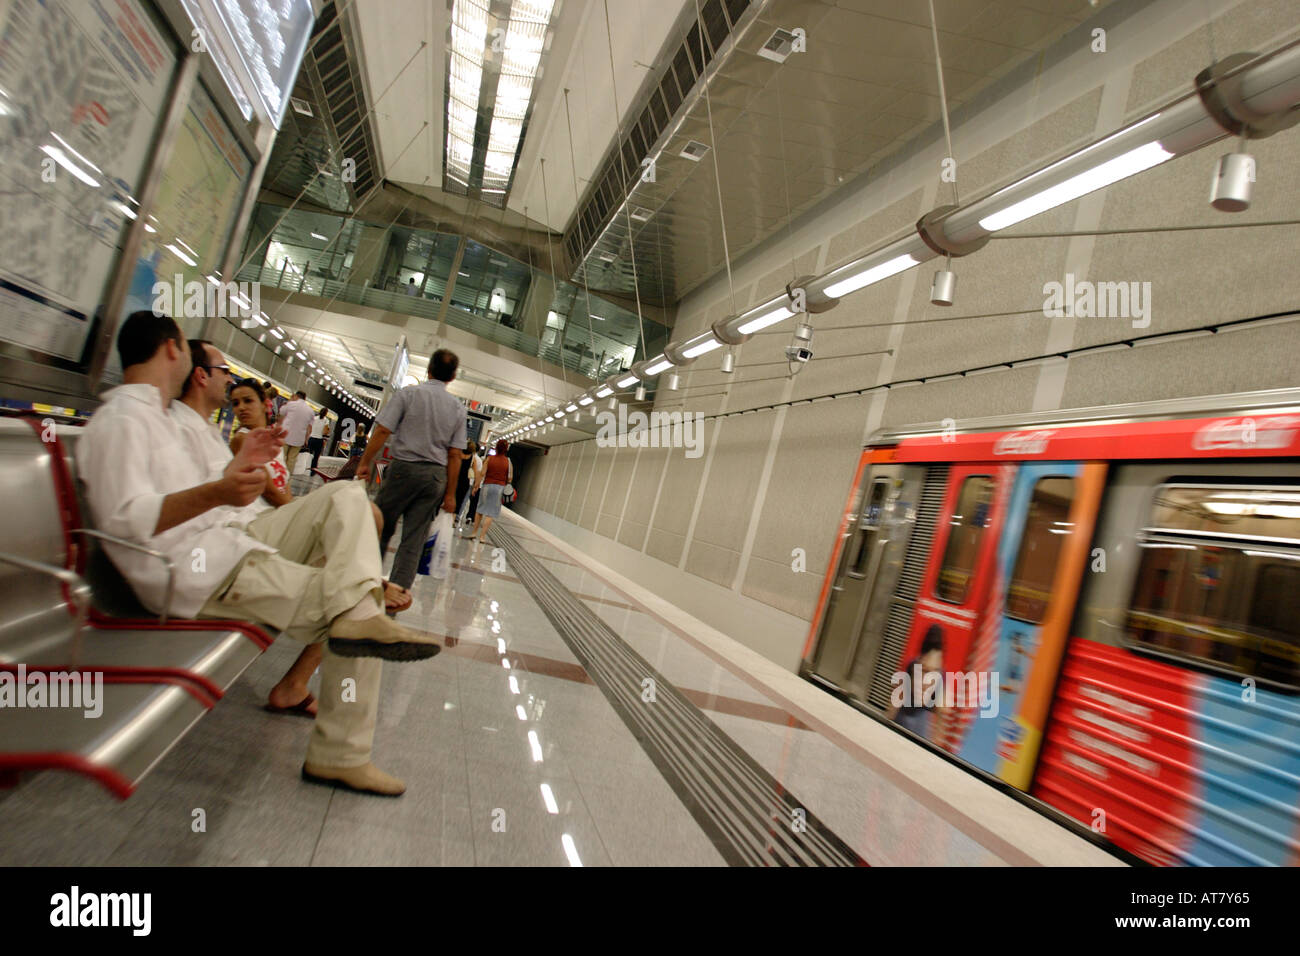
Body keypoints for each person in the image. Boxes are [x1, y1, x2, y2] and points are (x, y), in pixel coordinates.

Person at [79, 311, 440, 796]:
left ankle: (358, 602)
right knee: (357, 607)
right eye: (187, 346)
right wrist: (220, 492)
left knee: (348, 496)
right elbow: (126, 521)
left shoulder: (158, 418)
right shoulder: (122, 420)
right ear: (171, 348)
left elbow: (195, 499)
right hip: (197, 576)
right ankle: (340, 754)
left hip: (230, 549)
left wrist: (236, 470)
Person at [358, 349, 466, 590]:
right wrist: (450, 495)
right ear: (452, 377)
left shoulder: (408, 394)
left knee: (380, 529)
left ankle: (365, 590)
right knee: (413, 541)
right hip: (434, 478)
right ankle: (395, 600)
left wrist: (365, 462)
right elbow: (455, 454)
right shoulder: (458, 408)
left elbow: (383, 430)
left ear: (428, 369)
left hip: (403, 470)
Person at [886, 624, 946, 739]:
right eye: (924, 670)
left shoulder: (937, 675)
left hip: (912, 728)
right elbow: (895, 701)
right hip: (910, 728)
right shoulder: (913, 666)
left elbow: (941, 713)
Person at [471, 439, 513, 544]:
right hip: (499, 488)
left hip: (487, 486)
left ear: (496, 448)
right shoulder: (508, 461)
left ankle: (474, 533)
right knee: (490, 513)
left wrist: (476, 486)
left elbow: (482, 473)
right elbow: (510, 478)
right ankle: (482, 537)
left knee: (480, 509)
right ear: (506, 449)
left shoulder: (489, 459)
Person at [278, 389, 315, 476]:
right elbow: (310, 427)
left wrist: (290, 401)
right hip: (299, 439)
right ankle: (287, 478)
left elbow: (281, 412)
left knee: (282, 457)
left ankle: (279, 476)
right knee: (292, 460)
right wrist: (306, 440)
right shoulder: (310, 411)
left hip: (285, 436)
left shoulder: (291, 404)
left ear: (296, 396)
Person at [454, 440, 477, 528]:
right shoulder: (472, 459)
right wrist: (475, 485)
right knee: (459, 501)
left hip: (455, 478)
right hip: (465, 482)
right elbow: (476, 473)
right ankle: (454, 518)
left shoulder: (458, 454)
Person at [307, 406, 331, 472]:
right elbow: (325, 432)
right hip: (319, 440)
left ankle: (306, 468)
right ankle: (313, 470)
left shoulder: (314, 418)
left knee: (309, 454)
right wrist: (328, 431)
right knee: (316, 456)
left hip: (311, 439)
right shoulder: (326, 420)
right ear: (326, 413)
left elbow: (309, 428)